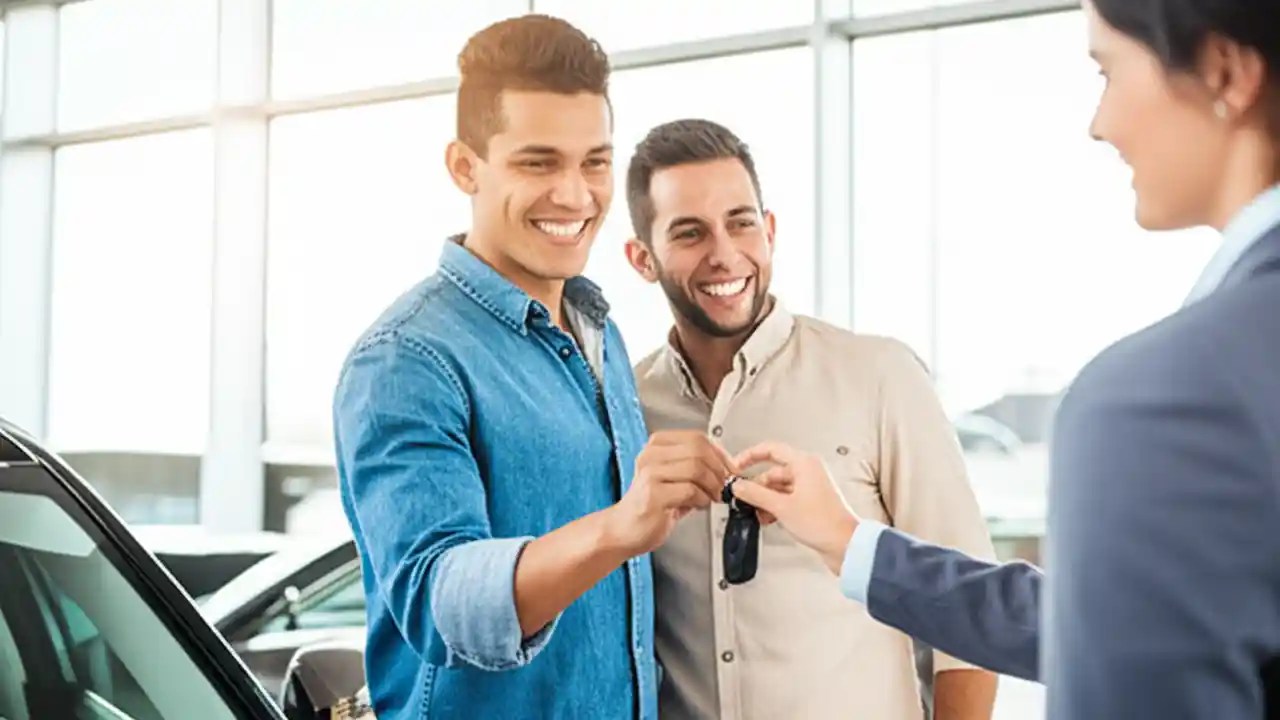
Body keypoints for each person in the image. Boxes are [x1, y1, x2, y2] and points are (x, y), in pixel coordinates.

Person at [730, 1, 1280, 716]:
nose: (1099, 122)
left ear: (1224, 73)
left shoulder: (1166, 401)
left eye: (1107, 72)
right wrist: (849, 541)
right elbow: (1124, 618)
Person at [332, 16, 733, 720]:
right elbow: (438, 601)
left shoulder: (600, 336)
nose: (576, 196)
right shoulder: (406, 359)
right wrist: (619, 527)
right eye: (538, 163)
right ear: (465, 167)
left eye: (595, 162)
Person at [623, 118, 998, 720]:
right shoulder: (626, 408)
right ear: (642, 258)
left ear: (769, 232)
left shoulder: (879, 376)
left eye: (741, 223)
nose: (724, 254)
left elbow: (969, 618)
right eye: (690, 233)